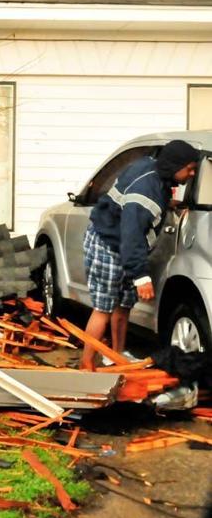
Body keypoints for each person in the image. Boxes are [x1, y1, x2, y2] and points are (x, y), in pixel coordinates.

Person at [80, 140, 200, 370]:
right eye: (190, 168)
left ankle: (117, 355)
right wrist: (140, 276)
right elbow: (132, 234)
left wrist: (168, 203)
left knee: (123, 306)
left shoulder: (152, 168)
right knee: (103, 307)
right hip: (108, 243)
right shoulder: (146, 192)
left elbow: (142, 203)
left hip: (123, 243)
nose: (192, 173)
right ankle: (86, 364)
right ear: (175, 165)